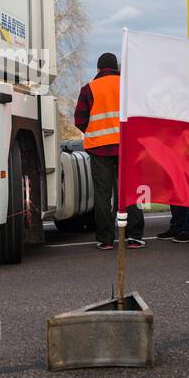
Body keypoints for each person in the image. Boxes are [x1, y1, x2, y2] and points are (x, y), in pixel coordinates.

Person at [74, 52, 144, 250]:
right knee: (130, 192)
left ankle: (105, 240)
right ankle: (134, 237)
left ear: (98, 69)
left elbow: (79, 119)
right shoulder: (128, 86)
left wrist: (95, 132)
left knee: (103, 195)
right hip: (127, 147)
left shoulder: (89, 88)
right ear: (116, 67)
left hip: (99, 148)